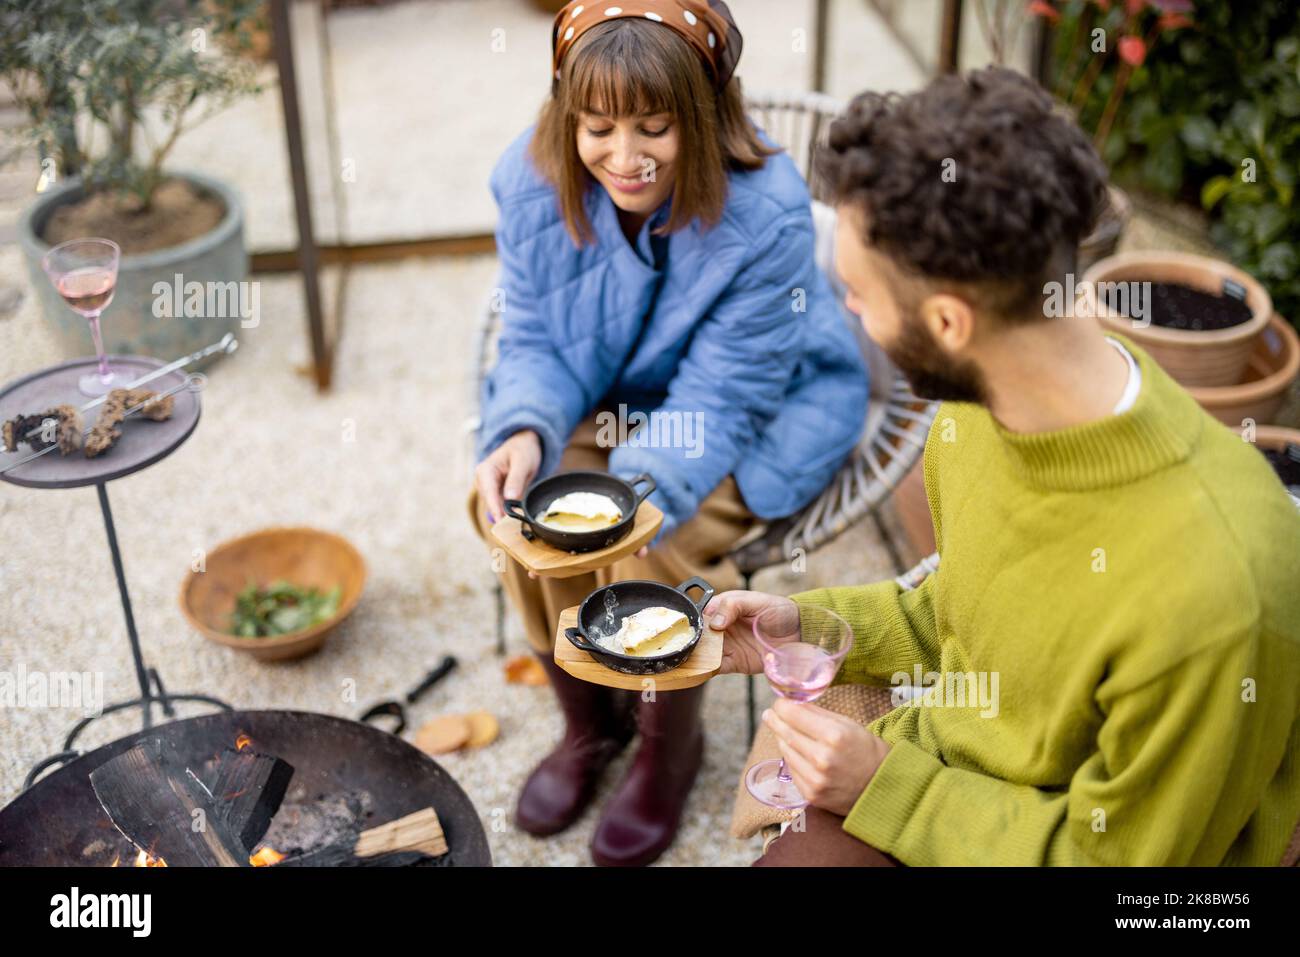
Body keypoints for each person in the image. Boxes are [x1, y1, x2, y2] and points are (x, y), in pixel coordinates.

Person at [706, 67, 1300, 866]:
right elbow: (969, 613)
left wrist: (885, 784)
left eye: (855, 291)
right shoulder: (980, 410)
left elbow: (1122, 864)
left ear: (949, 321)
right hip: (970, 790)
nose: (847, 310)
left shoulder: (1216, 591)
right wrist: (806, 625)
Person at [468, 0, 869, 867]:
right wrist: (526, 426)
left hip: (767, 406)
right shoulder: (530, 181)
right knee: (520, 515)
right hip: (610, 395)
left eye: (655, 127)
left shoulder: (765, 213)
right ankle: (590, 722)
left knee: (651, 547)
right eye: (599, 127)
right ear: (566, 112)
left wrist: (631, 489)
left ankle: (666, 745)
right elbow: (537, 338)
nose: (625, 157)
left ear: (704, 115)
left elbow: (727, 393)